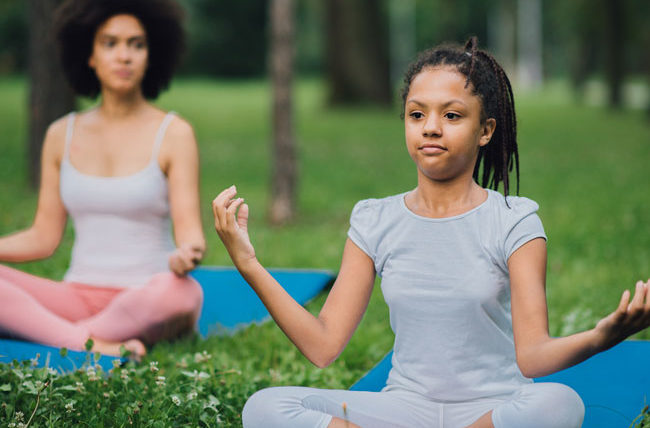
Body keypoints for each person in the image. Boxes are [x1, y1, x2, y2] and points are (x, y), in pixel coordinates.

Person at [213, 37, 650, 428]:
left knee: (559, 404)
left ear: (485, 131)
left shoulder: (514, 221)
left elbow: (533, 355)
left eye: (452, 115)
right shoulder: (375, 219)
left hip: (494, 408)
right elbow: (324, 346)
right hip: (405, 409)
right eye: (417, 113)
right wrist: (248, 264)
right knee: (266, 407)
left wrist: (602, 336)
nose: (431, 127)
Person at [0, 0, 204, 358]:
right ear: (89, 55)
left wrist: (187, 253)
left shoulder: (175, 133)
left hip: (146, 296)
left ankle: (67, 340)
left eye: (136, 44)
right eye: (110, 43)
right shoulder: (59, 134)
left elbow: (190, 232)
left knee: (186, 294)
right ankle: (95, 345)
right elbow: (43, 238)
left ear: (150, 55)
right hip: (75, 295)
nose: (124, 56)